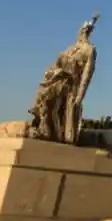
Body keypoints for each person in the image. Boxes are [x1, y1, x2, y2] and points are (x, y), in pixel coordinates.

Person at [29, 15, 98, 144]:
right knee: (47, 101)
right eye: (82, 29)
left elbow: (87, 74)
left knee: (59, 109)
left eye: (85, 30)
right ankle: (47, 129)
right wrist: (51, 72)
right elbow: (56, 64)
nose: (82, 32)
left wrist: (80, 96)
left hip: (71, 85)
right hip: (58, 81)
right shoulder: (71, 48)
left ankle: (57, 134)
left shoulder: (90, 50)